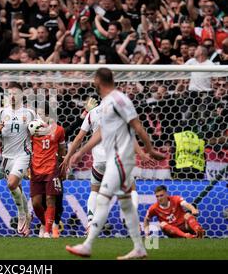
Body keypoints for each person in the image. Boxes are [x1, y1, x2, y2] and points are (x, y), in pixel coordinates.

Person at [65, 68, 165, 260]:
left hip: (121, 157)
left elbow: (137, 126)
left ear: (97, 81)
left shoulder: (119, 100)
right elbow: (101, 133)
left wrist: (149, 150)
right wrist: (80, 153)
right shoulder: (107, 104)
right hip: (114, 158)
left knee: (102, 198)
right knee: (126, 204)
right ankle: (139, 248)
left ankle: (87, 245)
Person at [60, 97, 157, 232]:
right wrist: (141, 154)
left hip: (99, 161)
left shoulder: (92, 113)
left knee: (94, 191)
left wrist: (68, 156)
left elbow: (79, 138)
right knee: (131, 189)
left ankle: (90, 222)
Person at [0, 82, 38, 236]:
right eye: (10, 93)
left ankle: (22, 214)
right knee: (16, 187)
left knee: (12, 183)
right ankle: (26, 214)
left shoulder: (29, 113)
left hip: (23, 154)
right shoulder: (2, 112)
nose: (12, 96)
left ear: (22, 95)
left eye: (15, 93)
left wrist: (38, 129)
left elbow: (40, 127)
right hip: (7, 156)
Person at [30, 108, 66, 238]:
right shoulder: (32, 129)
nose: (38, 117)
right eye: (37, 114)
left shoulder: (58, 130)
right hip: (35, 169)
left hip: (52, 169)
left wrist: (63, 167)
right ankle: (45, 224)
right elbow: (27, 149)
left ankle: (47, 232)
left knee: (51, 199)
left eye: (40, 114)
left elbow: (62, 149)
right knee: (36, 203)